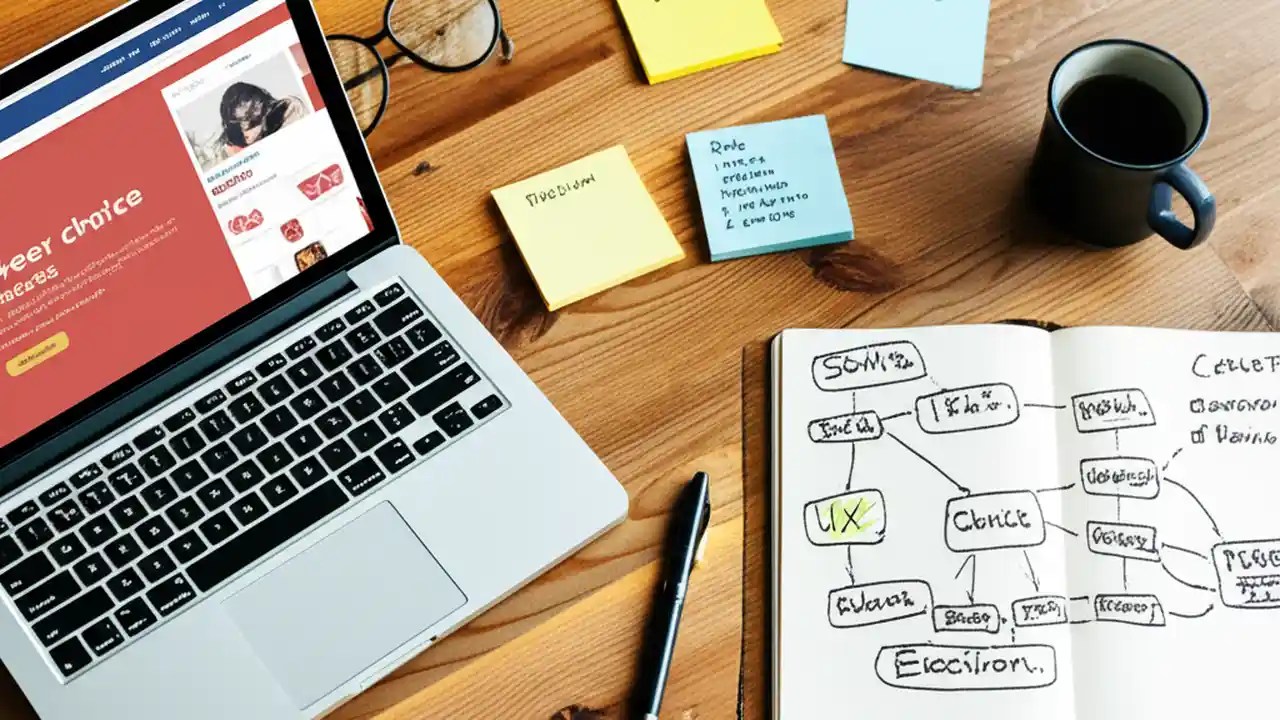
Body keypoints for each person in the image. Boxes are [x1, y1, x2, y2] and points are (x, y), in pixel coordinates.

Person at [220, 81, 306, 152]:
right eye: (246, 117)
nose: (256, 114)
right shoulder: (232, 143)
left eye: (254, 107)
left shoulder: (288, 105)